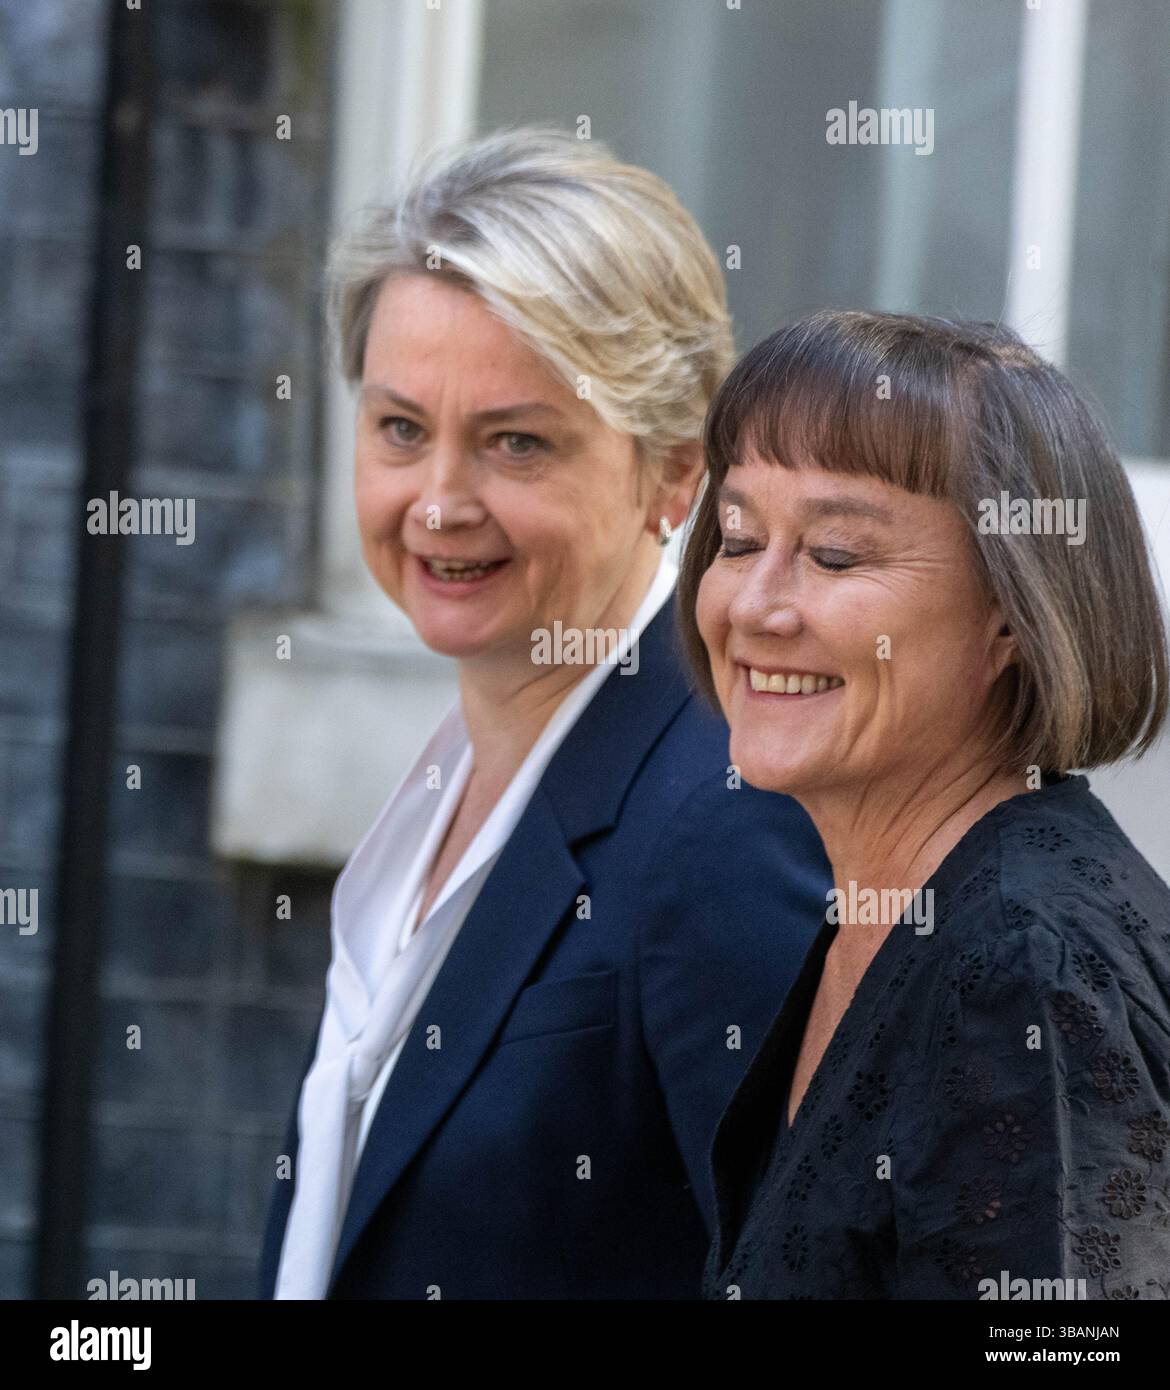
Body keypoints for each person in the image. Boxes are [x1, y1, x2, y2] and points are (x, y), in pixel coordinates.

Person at [257, 127, 830, 1300]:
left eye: (515, 442)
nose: (438, 503)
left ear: (676, 472)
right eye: (401, 428)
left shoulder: (726, 819)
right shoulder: (451, 785)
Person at [676, 310, 1170, 1299]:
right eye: (738, 539)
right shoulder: (896, 905)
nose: (755, 606)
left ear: (1012, 613)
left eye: (835, 555)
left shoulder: (1022, 967)